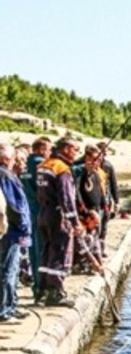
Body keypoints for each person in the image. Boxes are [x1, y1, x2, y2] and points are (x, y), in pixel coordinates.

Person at [35, 137, 82, 307]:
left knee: (47, 250)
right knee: (60, 251)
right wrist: (75, 222)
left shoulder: (44, 165)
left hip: (43, 212)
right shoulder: (62, 169)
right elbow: (66, 198)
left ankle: (42, 289)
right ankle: (56, 292)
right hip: (57, 215)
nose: (77, 153)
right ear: (67, 148)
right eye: (75, 149)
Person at [0, 144, 33, 321]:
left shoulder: (8, 175)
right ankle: (4, 309)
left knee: (13, 270)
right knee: (8, 270)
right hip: (12, 232)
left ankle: (11, 305)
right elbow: (13, 206)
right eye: (15, 158)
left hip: (12, 230)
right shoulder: (5, 176)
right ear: (7, 159)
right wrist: (23, 225)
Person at [23, 136, 51, 303]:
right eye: (48, 149)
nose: (50, 153)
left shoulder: (25, 165)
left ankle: (37, 287)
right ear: (41, 149)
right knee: (43, 251)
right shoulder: (40, 164)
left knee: (33, 252)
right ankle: (42, 288)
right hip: (40, 212)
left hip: (29, 212)